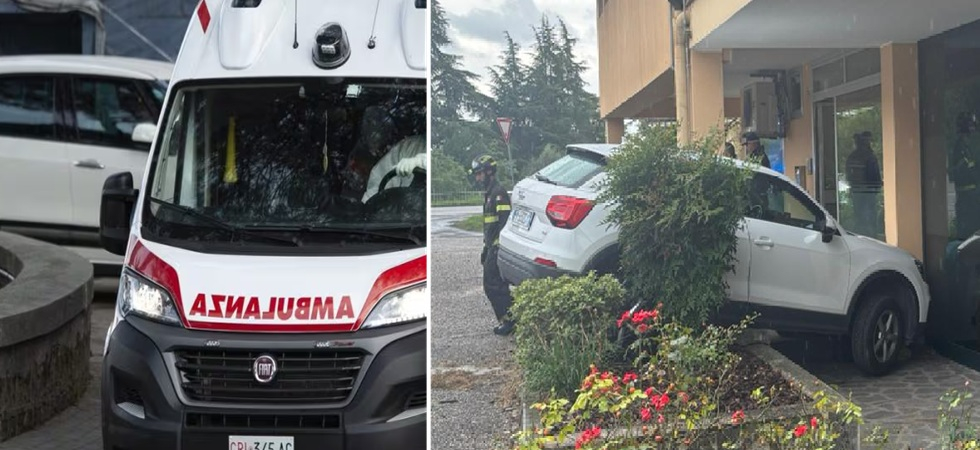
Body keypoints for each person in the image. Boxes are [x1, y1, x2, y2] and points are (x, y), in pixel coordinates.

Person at [470, 154, 515, 336]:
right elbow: (489, 226)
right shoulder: (490, 193)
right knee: (493, 285)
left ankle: (509, 320)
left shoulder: (498, 194)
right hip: (491, 247)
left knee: (493, 285)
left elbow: (504, 223)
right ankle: (509, 318)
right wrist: (485, 248)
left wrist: (496, 248)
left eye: (479, 174)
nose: (477, 178)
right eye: (476, 174)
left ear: (489, 172)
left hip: (498, 247)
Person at [361, 135, 426, 202]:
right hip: (402, 209)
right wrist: (368, 207)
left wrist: (422, 162)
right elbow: (377, 184)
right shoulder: (410, 146)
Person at [844, 131, 883, 237]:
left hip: (861, 191)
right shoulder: (868, 156)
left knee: (861, 216)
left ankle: (864, 236)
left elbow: (848, 176)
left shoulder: (854, 156)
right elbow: (874, 175)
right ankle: (869, 236)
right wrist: (877, 186)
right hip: (866, 191)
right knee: (867, 216)